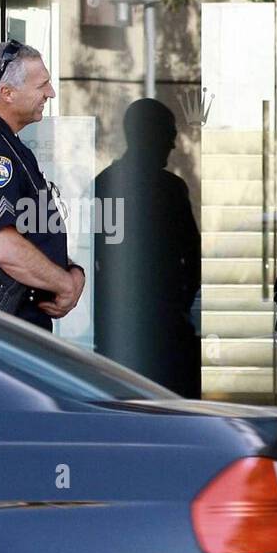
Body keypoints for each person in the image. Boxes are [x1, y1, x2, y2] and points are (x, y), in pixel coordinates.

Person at [0, 40, 83, 328]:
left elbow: (31, 232)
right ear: (7, 93)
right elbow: (3, 246)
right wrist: (64, 283)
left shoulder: (6, 143)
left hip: (15, 319)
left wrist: (71, 270)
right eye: (42, 85)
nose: (50, 93)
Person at [94, 99, 201, 396]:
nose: (173, 144)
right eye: (169, 134)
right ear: (151, 135)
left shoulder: (104, 184)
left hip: (123, 322)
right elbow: (192, 255)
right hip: (161, 323)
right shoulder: (170, 189)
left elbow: (93, 257)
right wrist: (178, 303)